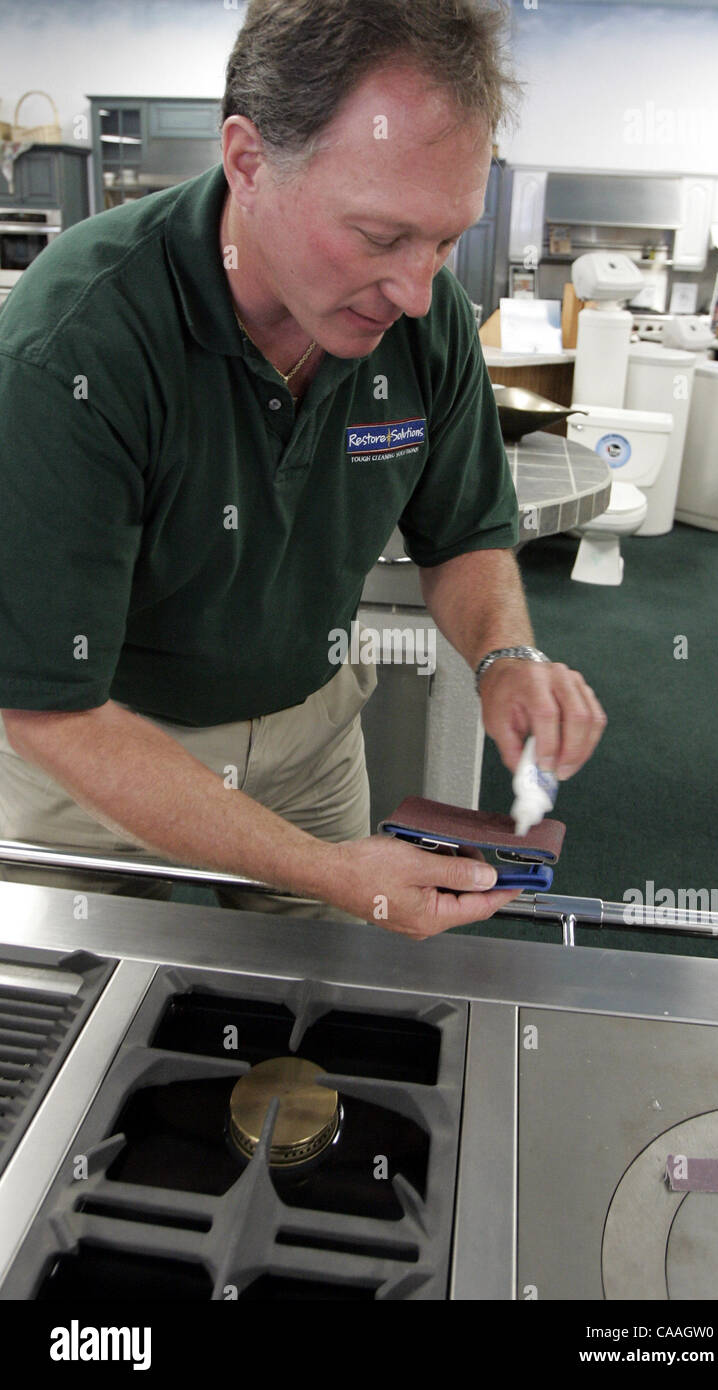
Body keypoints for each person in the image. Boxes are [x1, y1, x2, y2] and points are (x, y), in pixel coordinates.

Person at [0, 0, 606, 939]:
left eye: (446, 239)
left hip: (309, 735)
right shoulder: (75, 344)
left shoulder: (427, 318)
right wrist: (325, 870)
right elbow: (47, 705)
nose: (417, 292)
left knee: (321, 1019)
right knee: (79, 1032)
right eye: (379, 237)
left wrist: (505, 654)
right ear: (248, 161)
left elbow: (467, 532)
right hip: (98, 753)